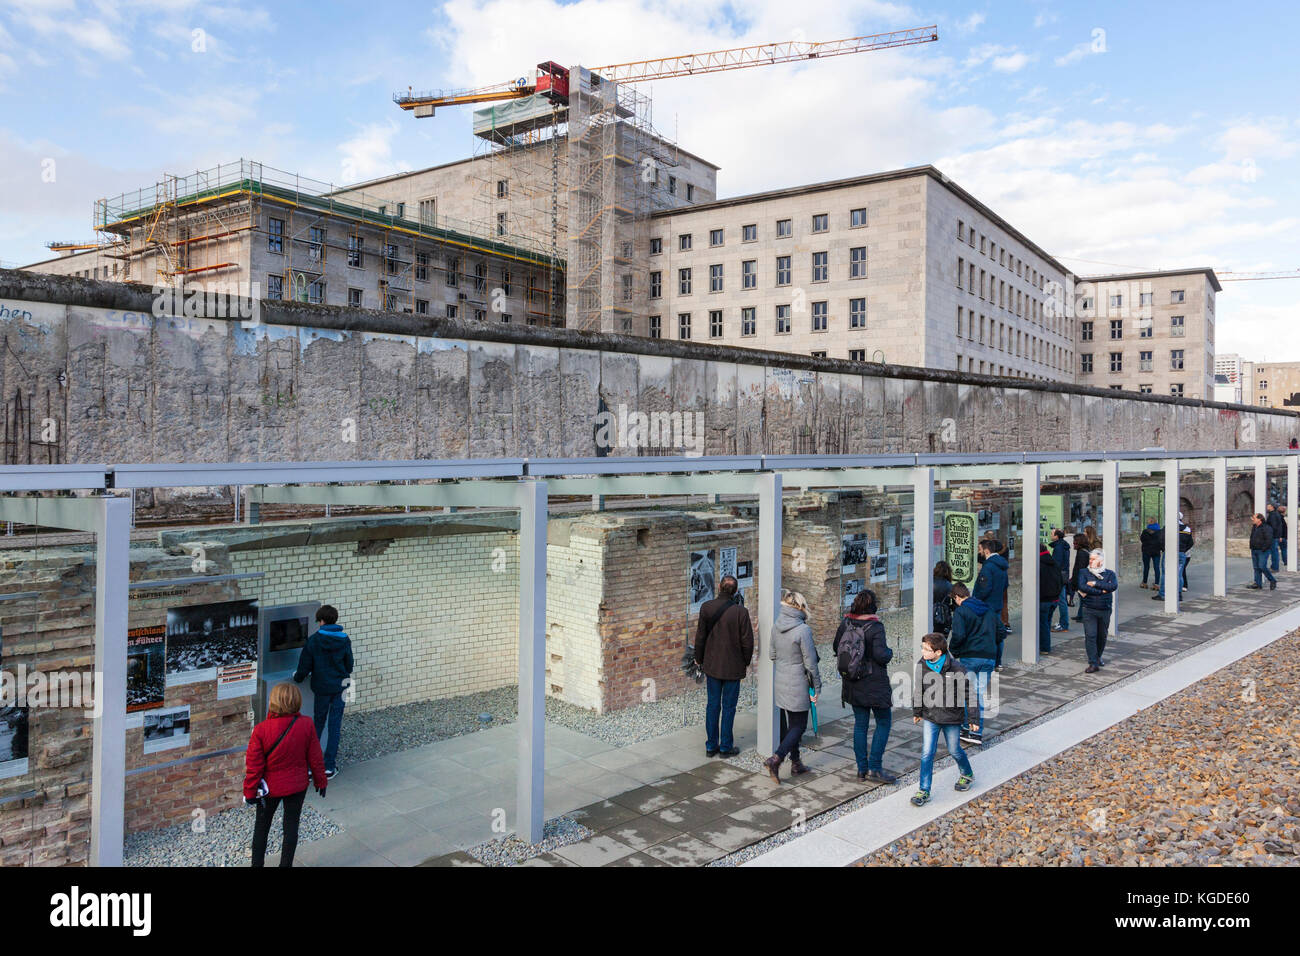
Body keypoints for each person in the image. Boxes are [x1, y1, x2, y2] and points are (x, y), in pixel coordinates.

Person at [244, 682, 327, 867]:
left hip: (270, 789)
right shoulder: (306, 724)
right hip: (297, 785)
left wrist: (250, 791)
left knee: (262, 829)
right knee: (291, 827)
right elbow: (315, 757)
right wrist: (320, 781)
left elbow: (254, 766)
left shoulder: (261, 730)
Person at [833, 589, 896, 783]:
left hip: (853, 681)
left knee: (860, 725)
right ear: (873, 606)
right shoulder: (876, 627)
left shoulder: (846, 623)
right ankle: (874, 768)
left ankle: (862, 769)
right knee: (883, 722)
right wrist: (890, 652)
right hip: (874, 682)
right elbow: (881, 655)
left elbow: (836, 647)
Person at [910, 633, 978, 807]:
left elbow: (969, 694)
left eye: (926, 649)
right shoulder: (922, 665)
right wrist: (917, 711)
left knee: (954, 750)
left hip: (951, 718)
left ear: (938, 652)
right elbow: (918, 690)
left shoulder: (957, 669)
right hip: (931, 716)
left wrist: (973, 718)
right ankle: (924, 790)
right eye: (922, 648)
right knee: (927, 753)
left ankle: (967, 774)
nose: (922, 652)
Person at [694, 574, 754, 757]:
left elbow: (700, 637)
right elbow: (748, 642)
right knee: (729, 708)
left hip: (712, 665)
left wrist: (698, 658)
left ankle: (711, 746)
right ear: (735, 592)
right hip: (733, 667)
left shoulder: (706, 607)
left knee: (712, 706)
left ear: (719, 587)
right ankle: (726, 746)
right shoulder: (741, 612)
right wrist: (745, 662)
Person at [765, 590, 821, 782]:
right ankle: (776, 759)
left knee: (791, 725)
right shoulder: (803, 630)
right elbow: (810, 663)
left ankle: (796, 763)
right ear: (800, 606)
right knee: (799, 726)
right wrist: (817, 688)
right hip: (798, 683)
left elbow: (772, 655)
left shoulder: (776, 626)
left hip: (781, 681)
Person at [293, 604, 353, 779]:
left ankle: (310, 767)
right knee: (335, 726)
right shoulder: (345, 640)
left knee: (318, 725)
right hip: (340, 687)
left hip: (322, 689)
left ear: (322, 621)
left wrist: (297, 678)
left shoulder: (314, 640)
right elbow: (349, 665)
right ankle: (329, 767)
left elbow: (304, 666)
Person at [948, 582, 997, 746]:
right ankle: (972, 729)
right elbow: (1001, 632)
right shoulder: (988, 609)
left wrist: (953, 651)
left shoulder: (961, 611)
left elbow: (958, 635)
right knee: (978, 693)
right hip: (988, 657)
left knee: (968, 693)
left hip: (970, 656)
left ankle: (970, 730)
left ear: (957, 597)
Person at [1077, 549, 1118, 673]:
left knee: (1102, 636)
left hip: (1105, 609)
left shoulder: (1110, 574)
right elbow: (1082, 586)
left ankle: (1098, 657)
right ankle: (1093, 663)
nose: (1090, 561)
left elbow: (1113, 586)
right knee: (1091, 635)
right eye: (1090, 559)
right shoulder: (1083, 572)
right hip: (1089, 609)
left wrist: (1095, 583)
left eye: (1093, 559)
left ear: (1101, 561)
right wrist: (1101, 591)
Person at [973, 539, 1009, 670]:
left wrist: (975, 601)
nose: (979, 552)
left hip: (986, 606)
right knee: (997, 635)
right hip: (997, 604)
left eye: (980, 550)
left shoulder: (988, 566)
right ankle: (998, 662)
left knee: (988, 636)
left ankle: (990, 663)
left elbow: (984, 588)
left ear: (986, 550)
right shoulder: (1002, 565)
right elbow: (1005, 585)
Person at [1154, 517, 1193, 601]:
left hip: (1169, 552)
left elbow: (1160, 539)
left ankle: (1163, 594)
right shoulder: (1187, 529)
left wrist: (1164, 549)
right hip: (1181, 553)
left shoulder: (1168, 527)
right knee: (1179, 574)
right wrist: (1182, 550)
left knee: (1165, 574)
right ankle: (1178, 595)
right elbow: (1190, 543)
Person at [1038, 542, 1065, 654]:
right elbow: (1061, 581)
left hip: (1044, 599)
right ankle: (1045, 645)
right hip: (1054, 598)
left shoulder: (1038, 564)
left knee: (1043, 624)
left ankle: (1044, 648)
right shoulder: (1054, 562)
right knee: (1047, 623)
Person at [1248, 513, 1277, 591]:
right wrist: (1251, 546)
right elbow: (1252, 537)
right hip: (1254, 549)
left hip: (1262, 551)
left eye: (1254, 518)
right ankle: (1258, 584)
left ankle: (1272, 580)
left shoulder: (1267, 527)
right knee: (1256, 568)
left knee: (1262, 566)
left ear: (1259, 519)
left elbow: (1269, 539)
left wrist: (1264, 548)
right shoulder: (1254, 527)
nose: (1252, 519)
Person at [1050, 529, 1070, 632]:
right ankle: (1063, 623)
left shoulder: (1058, 547)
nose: (1050, 535)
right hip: (1063, 575)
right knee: (1062, 600)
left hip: (1059, 576)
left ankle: (1064, 624)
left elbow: (1056, 564)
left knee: (1061, 600)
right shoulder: (1063, 545)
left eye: (1052, 534)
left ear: (1056, 536)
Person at [1070, 533, 1091, 623]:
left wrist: (1075, 581)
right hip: (1083, 579)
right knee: (1082, 598)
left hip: (1082, 580)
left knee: (1083, 598)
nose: (1073, 543)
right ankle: (1080, 615)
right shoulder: (1084, 551)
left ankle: (1083, 616)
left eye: (1075, 541)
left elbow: (1080, 569)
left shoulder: (1082, 553)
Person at [1139, 517, 1163, 590]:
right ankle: (1156, 584)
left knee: (1146, 567)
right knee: (1156, 567)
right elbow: (1161, 541)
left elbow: (1142, 539)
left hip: (1146, 551)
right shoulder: (1159, 531)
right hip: (1156, 551)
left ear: (1149, 522)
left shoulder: (1145, 531)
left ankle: (1144, 583)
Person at [932, 561, 954, 636]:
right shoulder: (950, 586)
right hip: (944, 617)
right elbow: (955, 605)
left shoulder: (929, 583)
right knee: (942, 639)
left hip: (931, 614)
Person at [1266, 503, 1284, 572]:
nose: (1267, 506)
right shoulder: (1276, 514)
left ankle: (1275, 568)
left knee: (1274, 552)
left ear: (1272, 507)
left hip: (1273, 536)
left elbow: (1273, 527)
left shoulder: (1273, 515)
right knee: (1274, 552)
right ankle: (1274, 567)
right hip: (1275, 536)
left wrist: (1269, 535)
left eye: (1268, 506)